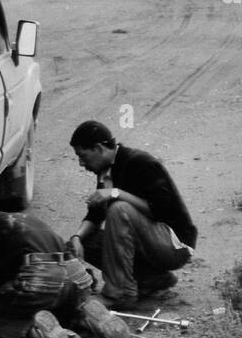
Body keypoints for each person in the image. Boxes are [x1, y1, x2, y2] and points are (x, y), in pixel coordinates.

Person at [0, 198, 131, 338]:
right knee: (65, 302)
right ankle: (88, 313)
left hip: (43, 275)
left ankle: (37, 328)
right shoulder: (21, 220)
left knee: (4, 311)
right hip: (76, 274)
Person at [64, 120, 197, 310]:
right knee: (87, 240)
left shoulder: (140, 162)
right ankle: (152, 279)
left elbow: (160, 211)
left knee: (119, 209)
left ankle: (121, 293)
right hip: (151, 243)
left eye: (83, 156)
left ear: (99, 148)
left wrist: (116, 193)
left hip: (175, 245)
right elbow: (95, 215)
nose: (81, 163)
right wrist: (77, 237)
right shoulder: (105, 171)